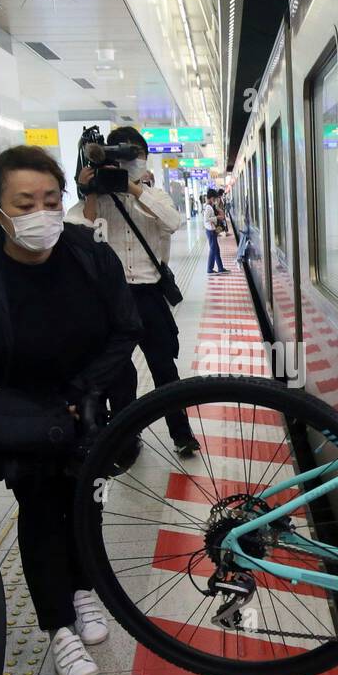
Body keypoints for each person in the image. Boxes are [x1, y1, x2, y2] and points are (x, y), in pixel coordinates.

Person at [0, 145, 141, 675]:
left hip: (90, 406)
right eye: (24, 203)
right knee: (39, 513)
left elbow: (126, 328)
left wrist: (89, 388)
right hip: (25, 417)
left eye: (51, 199)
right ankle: (59, 629)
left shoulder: (89, 254)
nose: (42, 213)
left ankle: (84, 590)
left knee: (87, 503)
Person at [67, 126, 201, 458]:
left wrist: (130, 187)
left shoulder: (154, 197)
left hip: (148, 297)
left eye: (134, 157)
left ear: (143, 159)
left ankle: (181, 434)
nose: (128, 164)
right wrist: (91, 193)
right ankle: (126, 437)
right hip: (110, 301)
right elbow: (78, 236)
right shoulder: (97, 201)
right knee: (118, 374)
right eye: (120, 158)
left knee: (164, 368)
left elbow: (172, 222)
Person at [202, 190, 228, 275]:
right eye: (214, 198)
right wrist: (216, 218)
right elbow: (206, 219)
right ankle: (210, 269)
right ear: (211, 198)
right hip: (210, 230)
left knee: (216, 249)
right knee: (213, 249)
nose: (215, 200)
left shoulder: (209, 206)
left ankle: (220, 268)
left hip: (211, 230)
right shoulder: (208, 207)